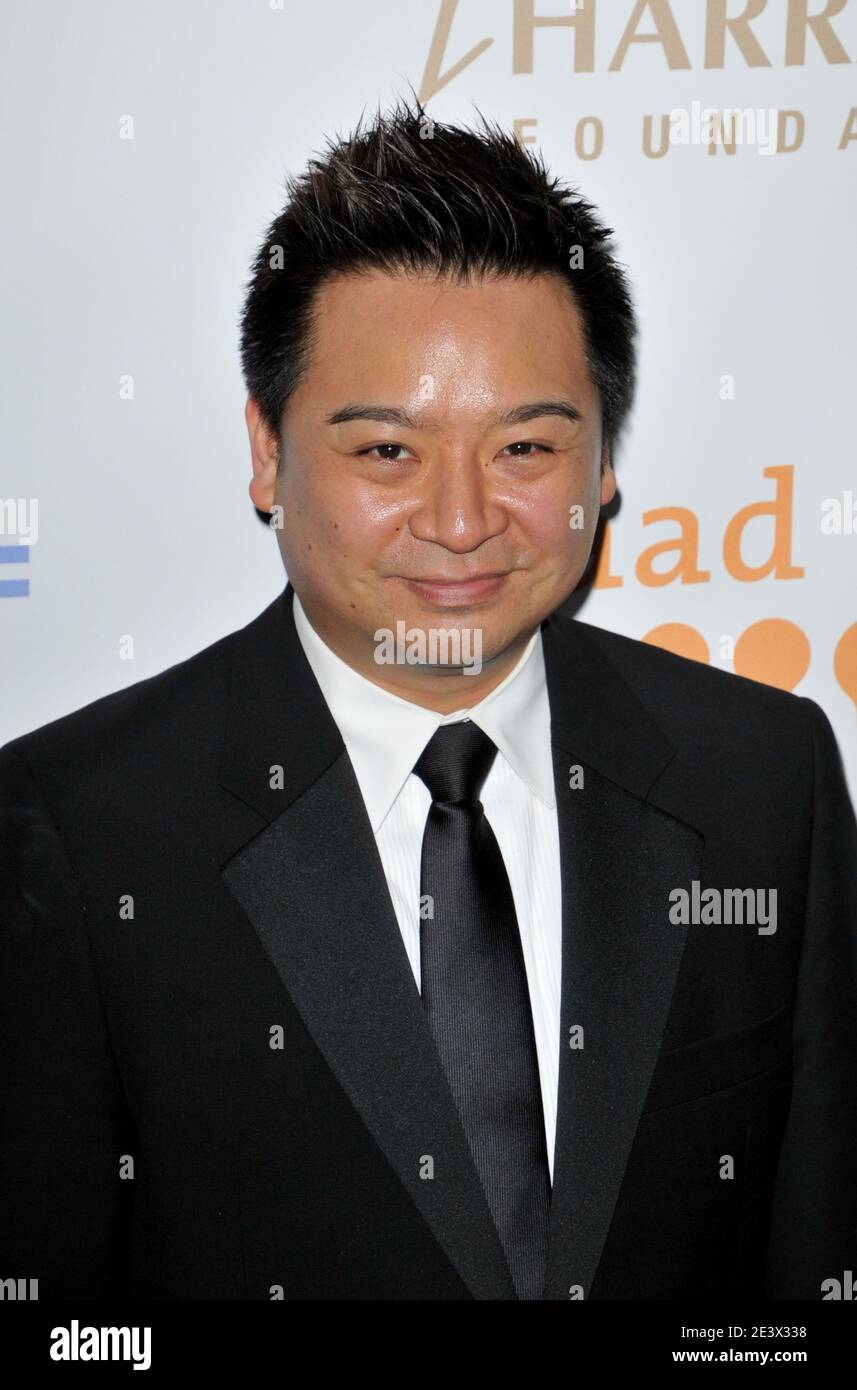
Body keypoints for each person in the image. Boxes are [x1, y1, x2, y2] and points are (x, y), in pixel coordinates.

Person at [1, 96, 855, 1302]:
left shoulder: (763, 773)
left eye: (524, 449)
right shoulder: (74, 828)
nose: (461, 523)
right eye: (386, 452)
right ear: (265, 449)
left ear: (602, 458)